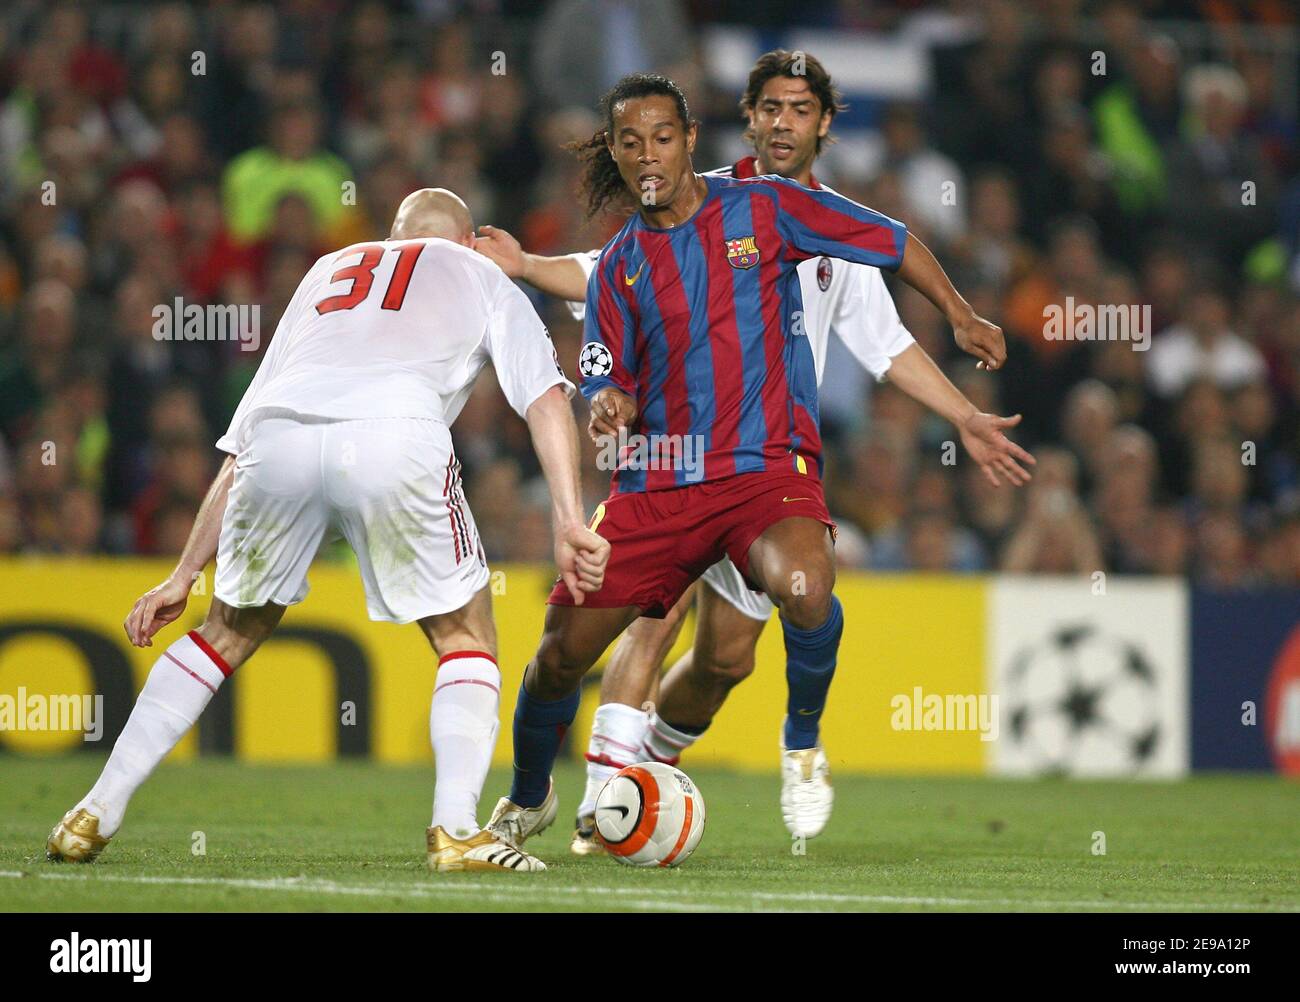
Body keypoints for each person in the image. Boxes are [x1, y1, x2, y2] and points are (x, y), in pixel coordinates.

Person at [474, 51, 1029, 852]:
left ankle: (796, 745)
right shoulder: (622, 264)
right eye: (629, 143)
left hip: (766, 468)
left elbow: (893, 245)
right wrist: (610, 406)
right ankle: (536, 801)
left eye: (661, 138)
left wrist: (964, 317)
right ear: (618, 151)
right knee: (562, 656)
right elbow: (604, 368)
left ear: (689, 139)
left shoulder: (769, 209)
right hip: (660, 477)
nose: (646, 155)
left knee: (789, 601)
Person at [46, 188, 610, 874]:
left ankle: (92, 811)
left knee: (227, 629)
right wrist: (569, 518)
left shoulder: (330, 270)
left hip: (280, 439)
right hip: (394, 435)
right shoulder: (482, 272)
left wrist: (184, 572)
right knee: (465, 633)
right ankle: (456, 829)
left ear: (391, 234)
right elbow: (546, 401)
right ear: (466, 241)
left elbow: (245, 434)